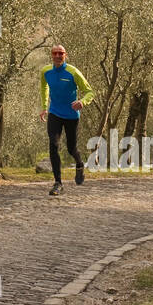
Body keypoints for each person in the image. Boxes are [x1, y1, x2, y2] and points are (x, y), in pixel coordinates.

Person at [38, 44, 94, 194]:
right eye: (55, 53)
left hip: (71, 115)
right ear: (51, 55)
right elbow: (44, 88)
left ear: (65, 55)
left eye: (60, 53)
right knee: (53, 144)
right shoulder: (46, 72)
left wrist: (82, 102)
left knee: (71, 148)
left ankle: (80, 163)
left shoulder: (73, 72)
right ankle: (58, 183)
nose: (57, 56)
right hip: (55, 113)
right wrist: (44, 107)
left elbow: (89, 92)